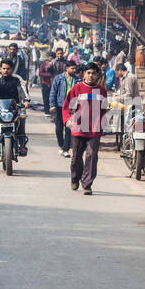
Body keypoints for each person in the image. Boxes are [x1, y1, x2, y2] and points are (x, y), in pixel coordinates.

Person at [65, 62, 108, 194]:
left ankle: (87, 184)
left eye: (93, 73)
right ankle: (75, 178)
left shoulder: (102, 91)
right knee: (76, 156)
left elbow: (103, 110)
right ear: (84, 74)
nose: (90, 76)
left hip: (94, 129)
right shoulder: (76, 88)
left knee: (92, 156)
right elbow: (67, 106)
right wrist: (67, 120)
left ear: (97, 75)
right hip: (78, 128)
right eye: (88, 73)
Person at [0, 57, 29, 156]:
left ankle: (22, 145)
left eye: (8, 69)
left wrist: (26, 101)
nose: (6, 71)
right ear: (0, 69)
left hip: (15, 106)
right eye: (4, 68)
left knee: (21, 118)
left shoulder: (17, 79)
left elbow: (23, 90)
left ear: (12, 69)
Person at [49, 61, 77, 157]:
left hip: (72, 107)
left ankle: (66, 149)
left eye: (75, 68)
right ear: (67, 68)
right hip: (60, 106)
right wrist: (52, 105)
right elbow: (53, 92)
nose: (74, 70)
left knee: (69, 128)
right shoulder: (59, 78)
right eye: (72, 68)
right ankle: (61, 145)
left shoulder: (77, 80)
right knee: (58, 128)